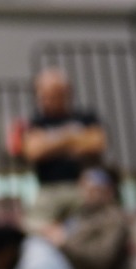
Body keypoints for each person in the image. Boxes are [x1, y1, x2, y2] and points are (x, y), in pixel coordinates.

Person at [19, 68, 108, 227]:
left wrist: (50, 143)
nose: (45, 100)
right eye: (41, 95)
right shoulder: (37, 122)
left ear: (66, 93)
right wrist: (71, 137)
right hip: (49, 190)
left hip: (82, 186)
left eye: (51, 95)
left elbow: (97, 142)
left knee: (96, 223)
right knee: (30, 225)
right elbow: (33, 151)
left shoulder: (85, 117)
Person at [39, 166, 130, 269]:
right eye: (84, 187)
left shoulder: (113, 218)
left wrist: (65, 243)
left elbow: (102, 259)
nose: (86, 193)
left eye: (93, 189)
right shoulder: (79, 213)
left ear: (108, 191)